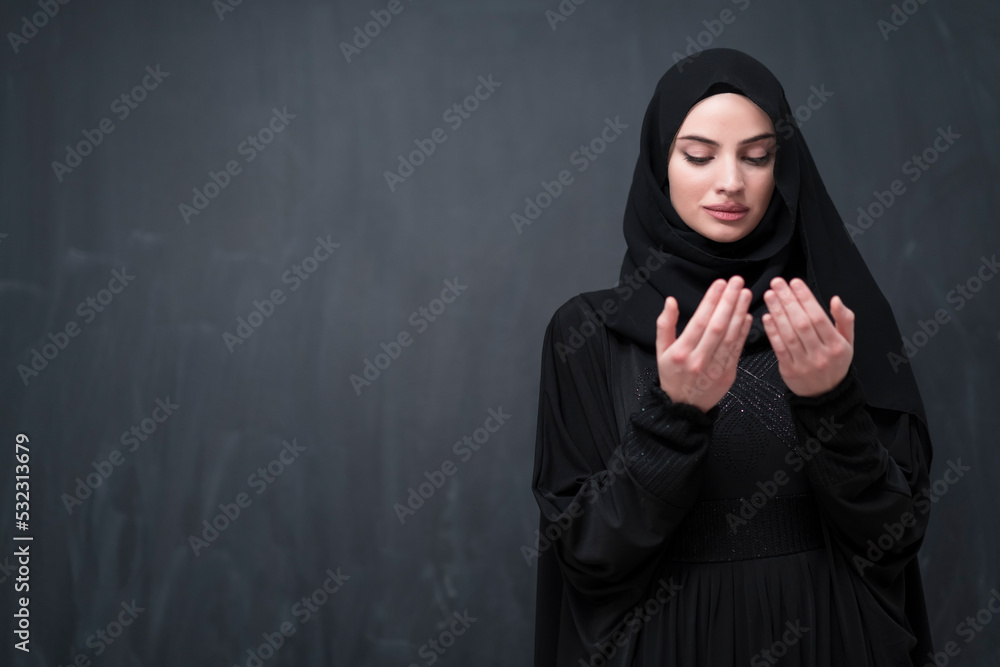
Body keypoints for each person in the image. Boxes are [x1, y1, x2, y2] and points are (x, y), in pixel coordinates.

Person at [529, 48, 934, 666]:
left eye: (757, 156)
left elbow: (894, 538)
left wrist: (831, 403)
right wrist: (674, 416)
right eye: (698, 155)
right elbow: (587, 555)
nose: (731, 182)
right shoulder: (588, 332)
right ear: (659, 164)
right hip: (667, 643)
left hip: (827, 635)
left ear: (784, 168)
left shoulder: (826, 321)